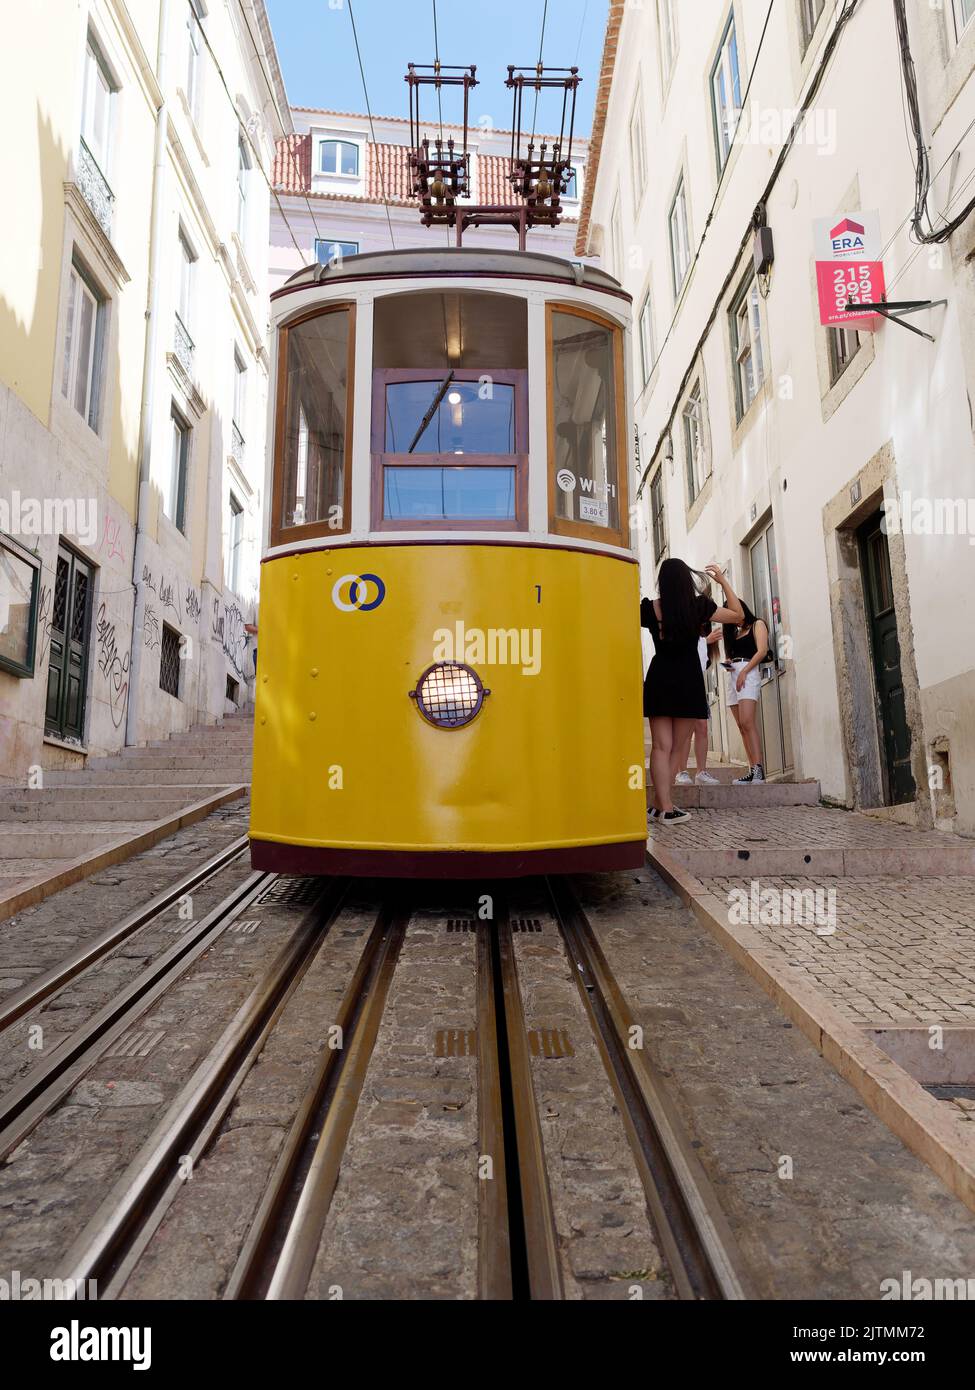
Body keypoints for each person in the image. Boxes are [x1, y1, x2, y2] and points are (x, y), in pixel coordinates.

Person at [642, 560, 744, 826]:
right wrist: (722, 582)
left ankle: (658, 804)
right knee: (678, 746)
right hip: (687, 681)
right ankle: (665, 806)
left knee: (661, 746)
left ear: (662, 582)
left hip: (659, 679)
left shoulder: (650, 608)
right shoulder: (699, 606)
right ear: (686, 579)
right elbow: (737, 615)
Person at [721, 601, 770, 784]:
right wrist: (729, 662)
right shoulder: (733, 633)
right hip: (733, 675)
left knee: (747, 722)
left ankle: (759, 769)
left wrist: (744, 671)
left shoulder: (757, 624)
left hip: (747, 673)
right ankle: (752, 769)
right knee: (741, 726)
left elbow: (762, 651)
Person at [673, 624, 723, 786]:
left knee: (702, 727)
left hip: (696, 685)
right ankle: (681, 772)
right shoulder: (684, 626)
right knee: (685, 730)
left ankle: (701, 772)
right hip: (681, 684)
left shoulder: (704, 636)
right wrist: (705, 641)